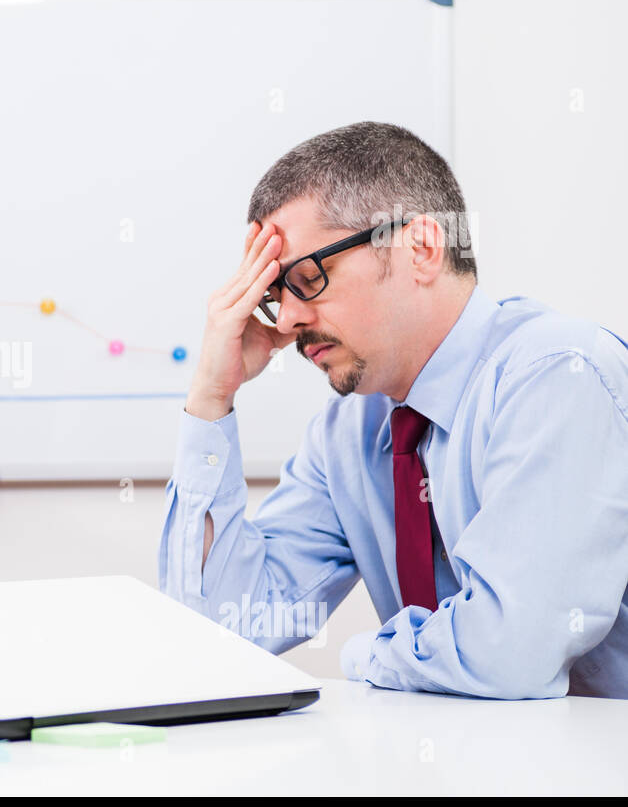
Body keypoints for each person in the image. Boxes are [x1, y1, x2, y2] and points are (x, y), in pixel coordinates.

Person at [160, 121, 628, 700]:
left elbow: (510, 653)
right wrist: (211, 396)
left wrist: (363, 652)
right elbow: (221, 632)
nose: (284, 323)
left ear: (421, 248)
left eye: (307, 278)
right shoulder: (348, 433)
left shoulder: (558, 373)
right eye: (273, 296)